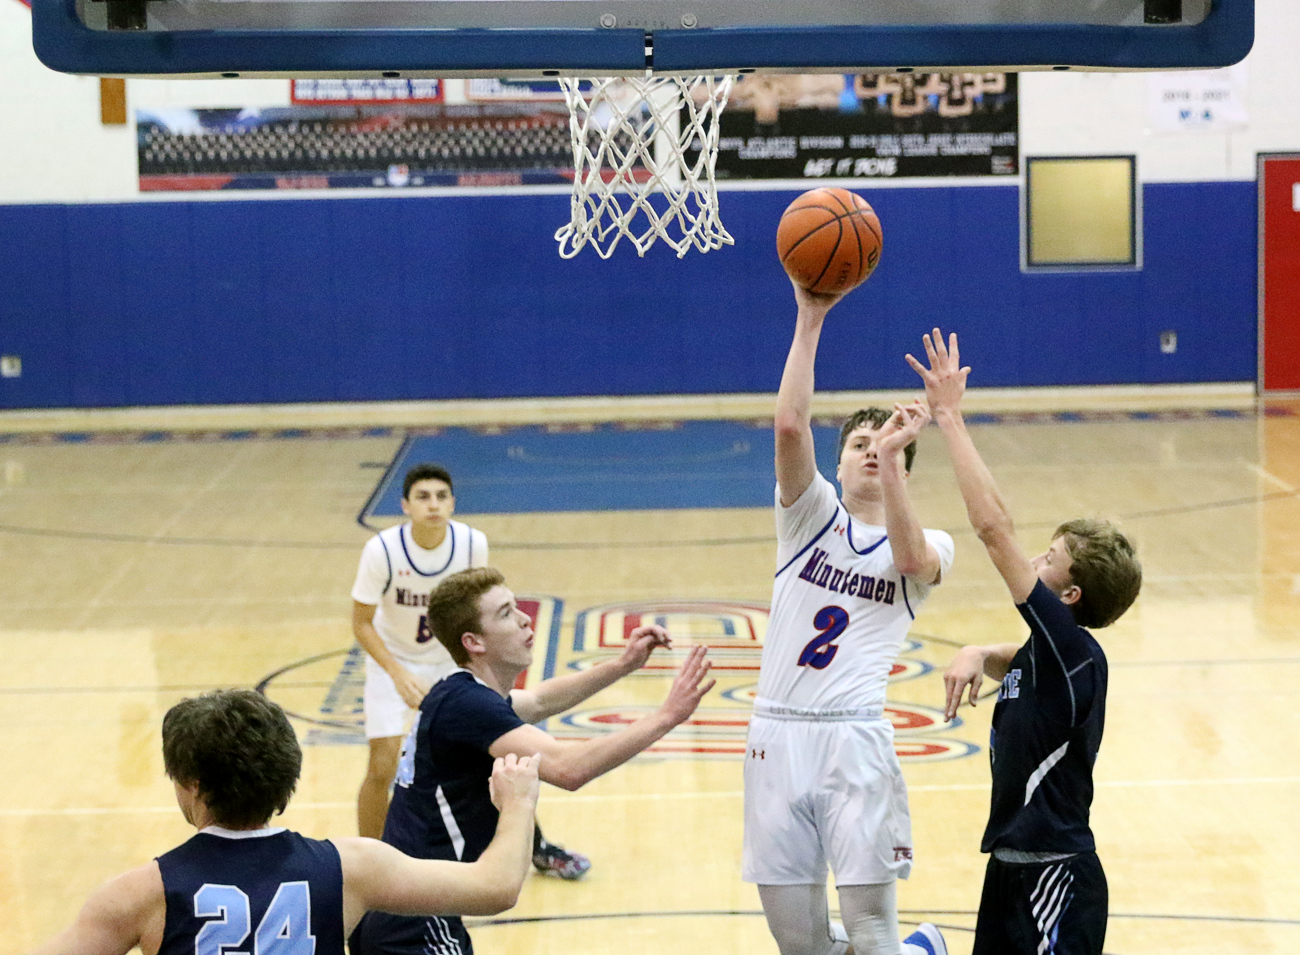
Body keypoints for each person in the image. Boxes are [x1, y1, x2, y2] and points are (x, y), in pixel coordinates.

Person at [906, 328, 1142, 955]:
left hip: (1054, 875)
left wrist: (948, 416)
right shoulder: (1057, 657)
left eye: (1051, 557)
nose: (1035, 557)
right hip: (1010, 869)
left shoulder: (1071, 648)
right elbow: (1021, 661)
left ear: (1070, 597)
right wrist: (980, 653)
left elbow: (991, 528)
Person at [742, 282, 954, 955]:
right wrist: (809, 320)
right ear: (834, 463)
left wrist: (893, 456)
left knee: (870, 931)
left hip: (853, 741)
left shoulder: (930, 544)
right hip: (774, 734)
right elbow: (787, 426)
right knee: (803, 946)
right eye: (860, 441)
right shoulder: (808, 517)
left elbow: (912, 556)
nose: (871, 448)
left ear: (904, 471)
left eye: (885, 445)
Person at [350, 566, 715, 955]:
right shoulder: (467, 706)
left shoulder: (459, 694)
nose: (525, 618)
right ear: (473, 641)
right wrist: (666, 717)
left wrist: (621, 665)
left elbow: (540, 700)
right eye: (506, 613)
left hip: (409, 908)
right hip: (416, 924)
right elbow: (569, 768)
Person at [26, 688, 541, 955]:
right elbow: (496, 886)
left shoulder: (141, 893)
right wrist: (517, 806)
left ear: (192, 785)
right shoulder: (350, 868)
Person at [352, 462, 588, 878]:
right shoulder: (382, 551)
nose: (433, 506)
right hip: (394, 659)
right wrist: (396, 673)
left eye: (442, 497)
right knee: (382, 764)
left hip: (451, 653)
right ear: (405, 505)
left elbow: (474, 608)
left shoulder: (470, 544)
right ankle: (372, 863)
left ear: (453, 503)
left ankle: (535, 845)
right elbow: (361, 623)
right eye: (423, 497)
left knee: (496, 745)